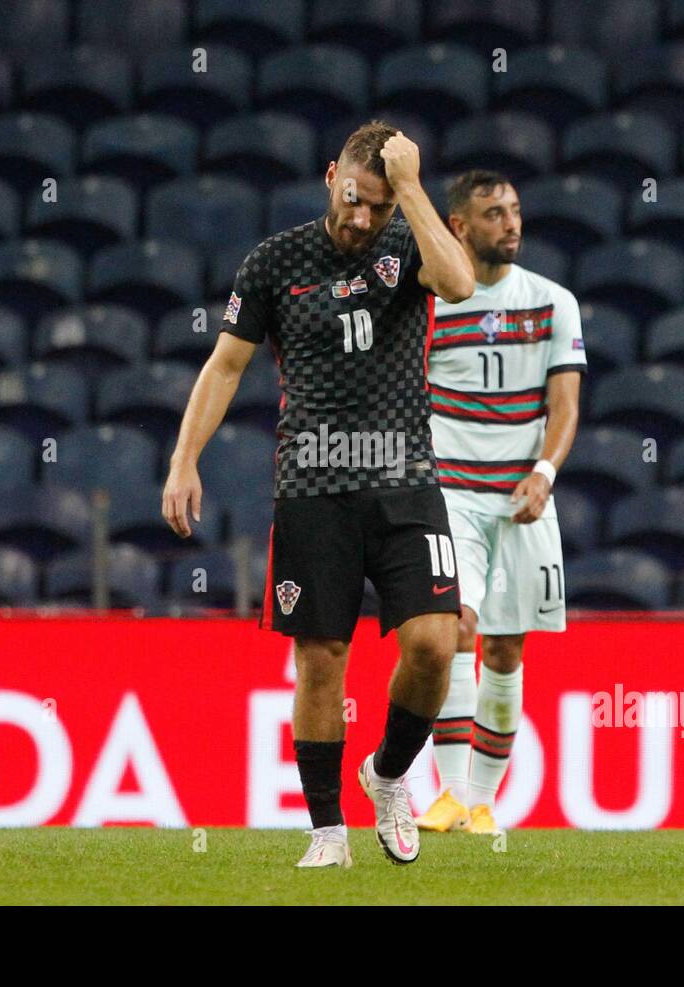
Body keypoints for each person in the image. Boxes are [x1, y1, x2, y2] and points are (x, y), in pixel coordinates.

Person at [162, 121, 474, 867]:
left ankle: (390, 773)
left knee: (435, 642)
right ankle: (327, 830)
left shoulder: (408, 240)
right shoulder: (274, 263)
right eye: (352, 198)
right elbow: (225, 365)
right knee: (322, 658)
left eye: (377, 204)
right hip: (313, 485)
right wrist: (184, 458)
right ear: (329, 174)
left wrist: (411, 190)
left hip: (405, 481)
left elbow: (461, 284)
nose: (362, 218)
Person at [415, 170, 585, 836]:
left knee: (508, 649)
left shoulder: (553, 302)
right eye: (493, 214)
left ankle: (484, 804)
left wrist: (543, 473)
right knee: (458, 624)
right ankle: (449, 793)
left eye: (514, 211)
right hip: (450, 492)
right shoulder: (428, 303)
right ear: (459, 227)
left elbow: (564, 406)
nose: (510, 224)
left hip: (523, 498)